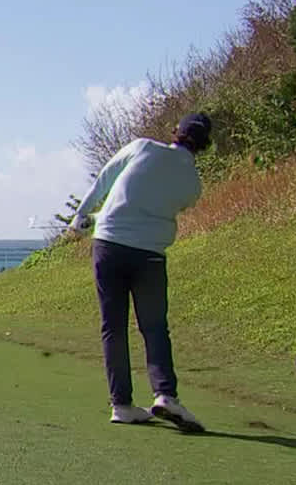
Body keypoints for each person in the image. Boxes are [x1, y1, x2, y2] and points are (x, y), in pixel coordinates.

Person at [70, 113, 214, 432]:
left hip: (109, 245)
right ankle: (165, 394)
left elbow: (106, 178)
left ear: (175, 131)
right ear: (204, 146)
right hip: (149, 255)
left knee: (114, 327)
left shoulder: (142, 147)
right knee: (154, 327)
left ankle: (121, 405)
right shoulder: (193, 184)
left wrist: (82, 215)